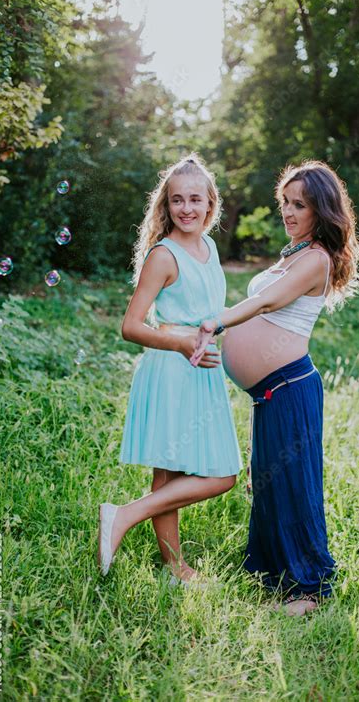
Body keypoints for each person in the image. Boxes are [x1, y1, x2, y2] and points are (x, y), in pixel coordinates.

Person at [190, 160, 359, 615]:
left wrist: (218, 320)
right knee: (268, 483)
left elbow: (268, 300)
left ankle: (309, 588)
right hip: (271, 390)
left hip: (290, 386)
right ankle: (272, 570)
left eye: (298, 204)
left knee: (293, 483)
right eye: (284, 202)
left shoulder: (316, 259)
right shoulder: (295, 253)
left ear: (320, 210)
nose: (287, 211)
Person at [97, 153, 242, 585]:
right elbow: (131, 326)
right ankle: (172, 565)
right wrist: (180, 343)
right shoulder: (164, 255)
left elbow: (210, 311)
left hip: (202, 368)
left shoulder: (210, 248)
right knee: (176, 470)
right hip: (172, 368)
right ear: (166, 206)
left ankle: (128, 519)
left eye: (195, 199)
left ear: (211, 204)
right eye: (177, 200)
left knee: (209, 474)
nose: (186, 208)